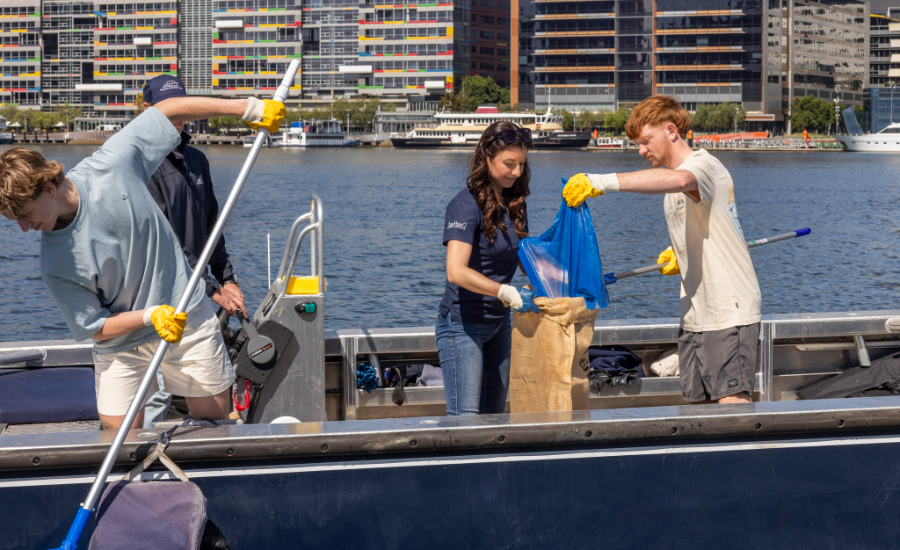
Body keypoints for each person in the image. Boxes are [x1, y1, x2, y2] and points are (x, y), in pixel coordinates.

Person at [0, 95, 284, 430]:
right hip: (122, 344)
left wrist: (247, 109)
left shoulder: (113, 163)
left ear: (48, 188)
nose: (23, 228)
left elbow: (167, 110)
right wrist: (151, 316)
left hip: (186, 314)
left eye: (24, 215)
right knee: (120, 440)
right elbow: (96, 328)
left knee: (214, 423)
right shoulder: (54, 263)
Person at [563, 95, 761, 405]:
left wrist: (601, 181)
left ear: (671, 130)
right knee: (699, 405)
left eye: (645, 141)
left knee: (732, 401)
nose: (641, 151)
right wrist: (679, 254)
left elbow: (681, 179)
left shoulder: (703, 166)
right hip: (696, 313)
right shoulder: (671, 192)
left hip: (728, 309)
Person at [139, 75, 246, 427]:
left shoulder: (197, 160)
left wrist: (227, 278)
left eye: (183, 108)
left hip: (195, 292)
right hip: (152, 297)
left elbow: (211, 228)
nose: (178, 116)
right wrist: (213, 289)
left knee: (207, 382)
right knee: (152, 390)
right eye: (169, 109)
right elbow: (164, 242)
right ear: (146, 110)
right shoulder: (141, 166)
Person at [436, 121, 539, 416]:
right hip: (462, 325)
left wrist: (559, 282)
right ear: (486, 158)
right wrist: (505, 290)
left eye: (522, 164)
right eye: (509, 164)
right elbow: (455, 271)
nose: (517, 172)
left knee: (493, 419)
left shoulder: (515, 203)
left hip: (500, 323)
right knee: (466, 423)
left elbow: (524, 257)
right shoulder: (463, 206)